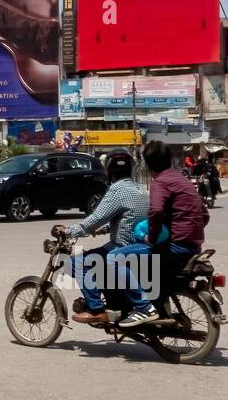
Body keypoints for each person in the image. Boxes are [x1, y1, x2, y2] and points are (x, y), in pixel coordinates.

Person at [107, 140, 209, 329]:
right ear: (169, 160)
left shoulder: (161, 182)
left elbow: (155, 212)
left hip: (175, 247)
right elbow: (204, 215)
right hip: (194, 245)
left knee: (114, 258)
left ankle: (143, 307)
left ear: (147, 164)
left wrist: (152, 238)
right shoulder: (182, 180)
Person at [51, 151, 149, 325]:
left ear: (109, 171)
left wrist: (69, 231)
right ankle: (114, 300)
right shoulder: (140, 190)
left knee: (76, 263)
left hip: (121, 248)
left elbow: (96, 218)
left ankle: (95, 309)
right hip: (139, 246)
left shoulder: (117, 190)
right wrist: (102, 230)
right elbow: (127, 218)